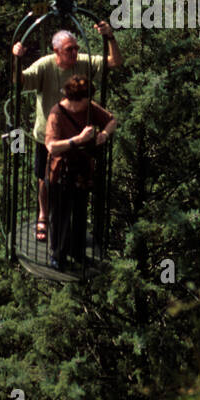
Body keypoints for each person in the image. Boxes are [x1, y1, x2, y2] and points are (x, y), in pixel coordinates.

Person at [11, 22, 122, 243]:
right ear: (56, 51)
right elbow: (19, 81)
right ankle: (43, 216)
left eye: (75, 48)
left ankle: (70, 226)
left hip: (78, 138)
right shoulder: (45, 66)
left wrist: (110, 37)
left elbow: (114, 62)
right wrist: (17, 59)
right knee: (45, 178)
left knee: (78, 178)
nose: (74, 53)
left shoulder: (83, 63)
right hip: (47, 136)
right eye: (69, 49)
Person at [45, 75, 116, 271]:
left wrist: (104, 134)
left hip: (82, 173)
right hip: (61, 173)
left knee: (79, 214)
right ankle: (57, 256)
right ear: (76, 99)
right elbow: (51, 147)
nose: (88, 104)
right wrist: (77, 139)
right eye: (85, 100)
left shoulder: (89, 107)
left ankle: (77, 253)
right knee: (59, 217)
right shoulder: (56, 114)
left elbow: (111, 120)